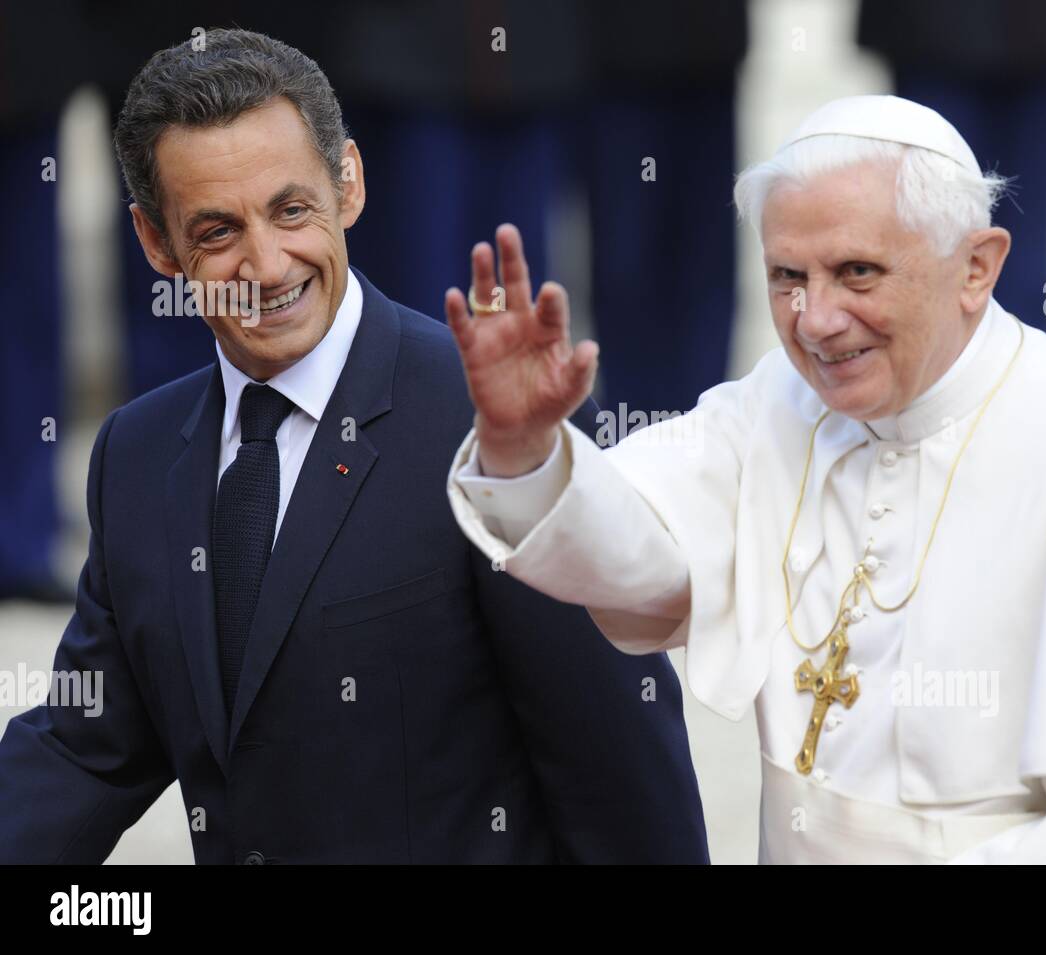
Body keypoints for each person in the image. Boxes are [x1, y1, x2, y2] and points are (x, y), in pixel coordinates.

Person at [444, 95, 1046, 864]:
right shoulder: (774, 406)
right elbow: (633, 543)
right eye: (788, 277)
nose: (815, 321)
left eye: (857, 272)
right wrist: (524, 449)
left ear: (977, 267)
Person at [0, 29, 708, 865]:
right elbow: (87, 746)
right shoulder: (138, 453)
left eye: (291, 209)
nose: (266, 264)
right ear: (157, 245)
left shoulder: (492, 432)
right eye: (218, 231)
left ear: (350, 185)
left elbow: (623, 779)